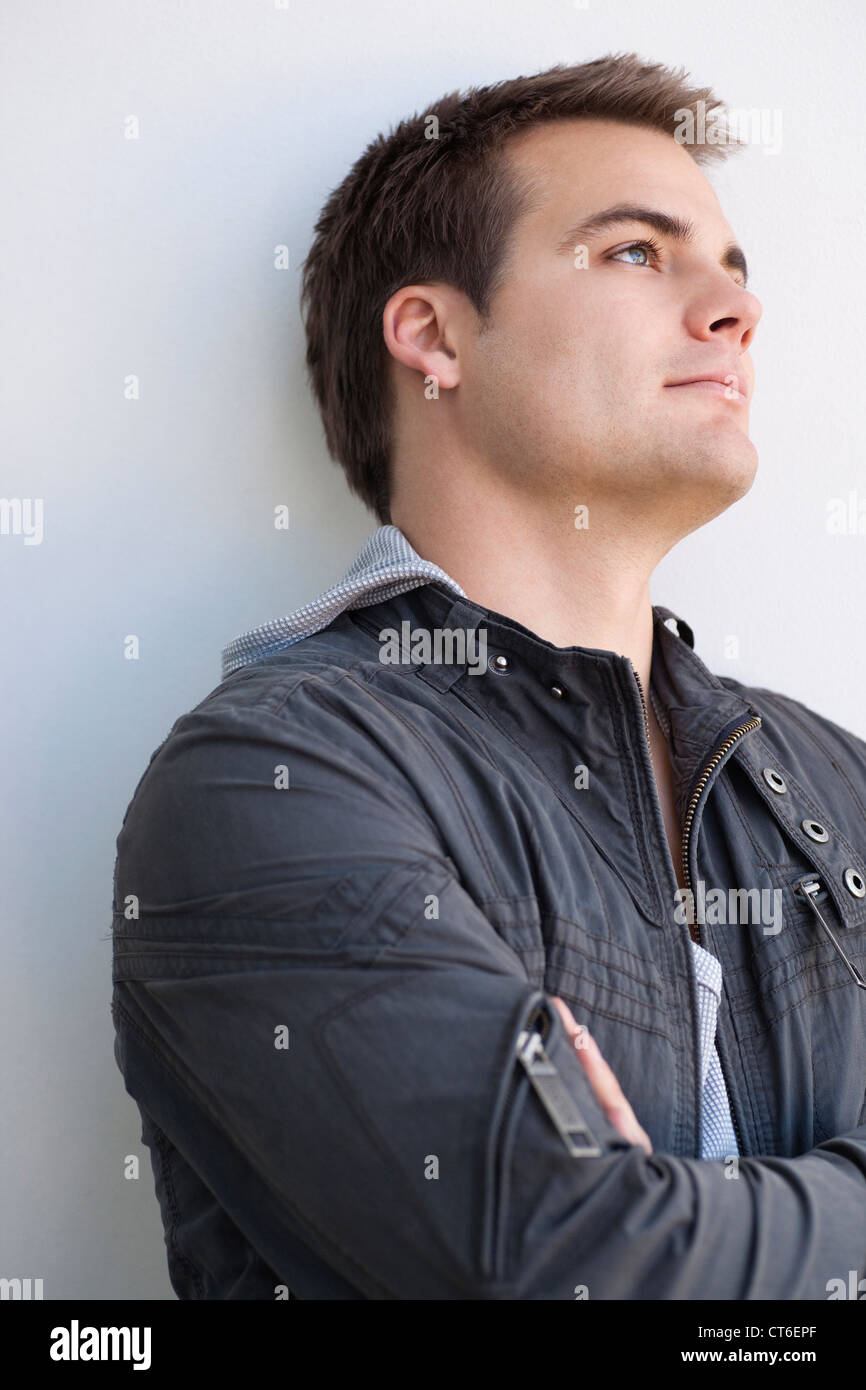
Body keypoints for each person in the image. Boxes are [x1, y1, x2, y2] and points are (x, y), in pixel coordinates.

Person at [111, 52, 866, 1299]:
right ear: (435, 336)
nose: (736, 311)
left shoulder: (833, 782)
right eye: (634, 251)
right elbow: (569, 1273)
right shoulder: (278, 773)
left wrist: (673, 1219)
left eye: (734, 273)